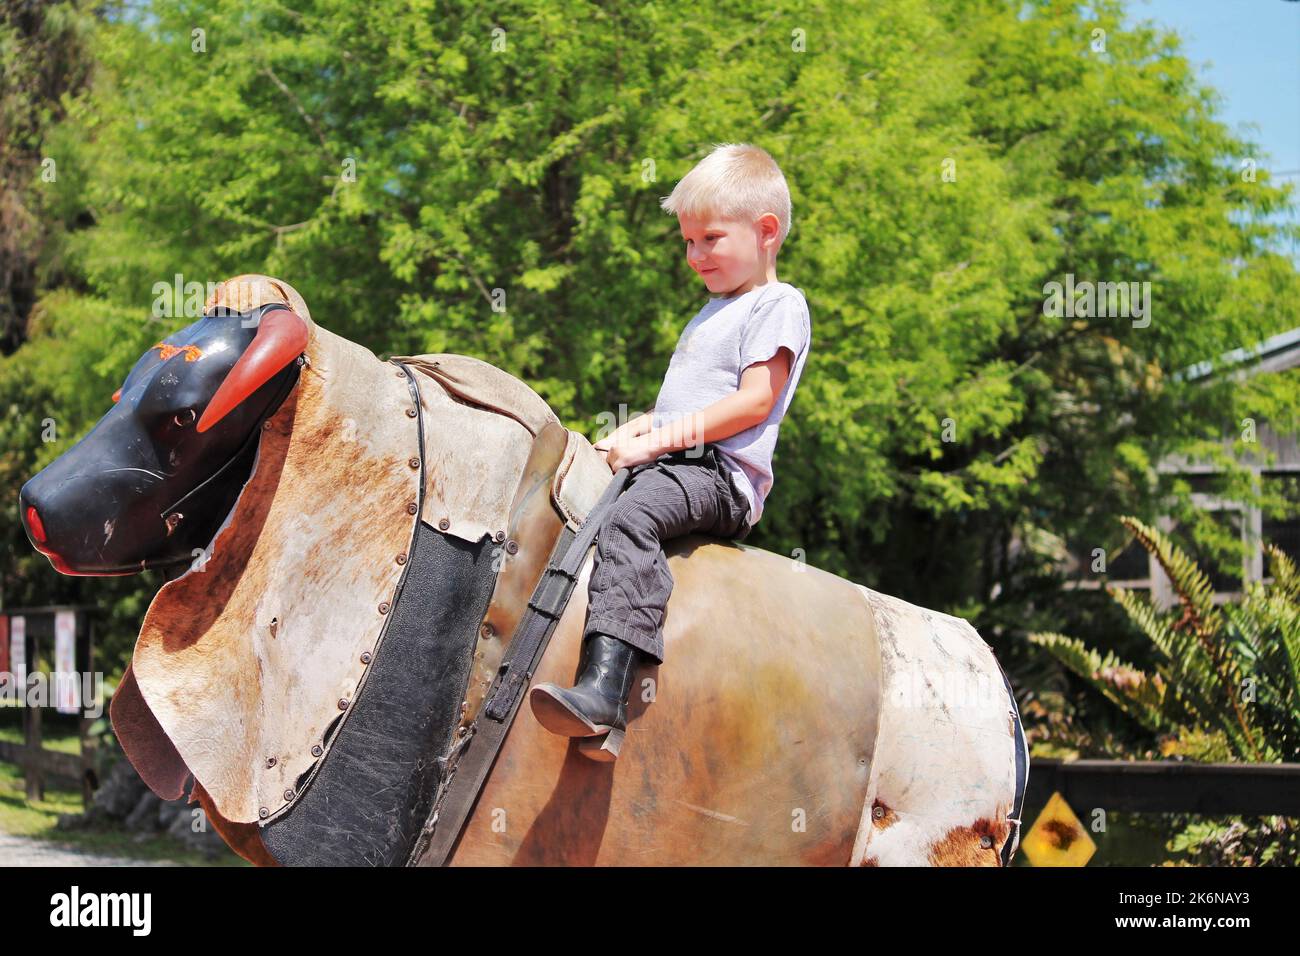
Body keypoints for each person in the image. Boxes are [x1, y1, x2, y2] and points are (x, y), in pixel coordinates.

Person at [528, 143, 812, 761]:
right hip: (679, 457)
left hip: (721, 473)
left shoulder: (777, 304)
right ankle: (584, 702)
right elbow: (681, 410)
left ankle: (605, 693)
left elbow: (751, 404)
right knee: (585, 507)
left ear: (766, 232)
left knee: (634, 517)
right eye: (687, 243)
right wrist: (633, 433)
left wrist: (658, 440)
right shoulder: (712, 311)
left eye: (710, 238)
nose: (694, 256)